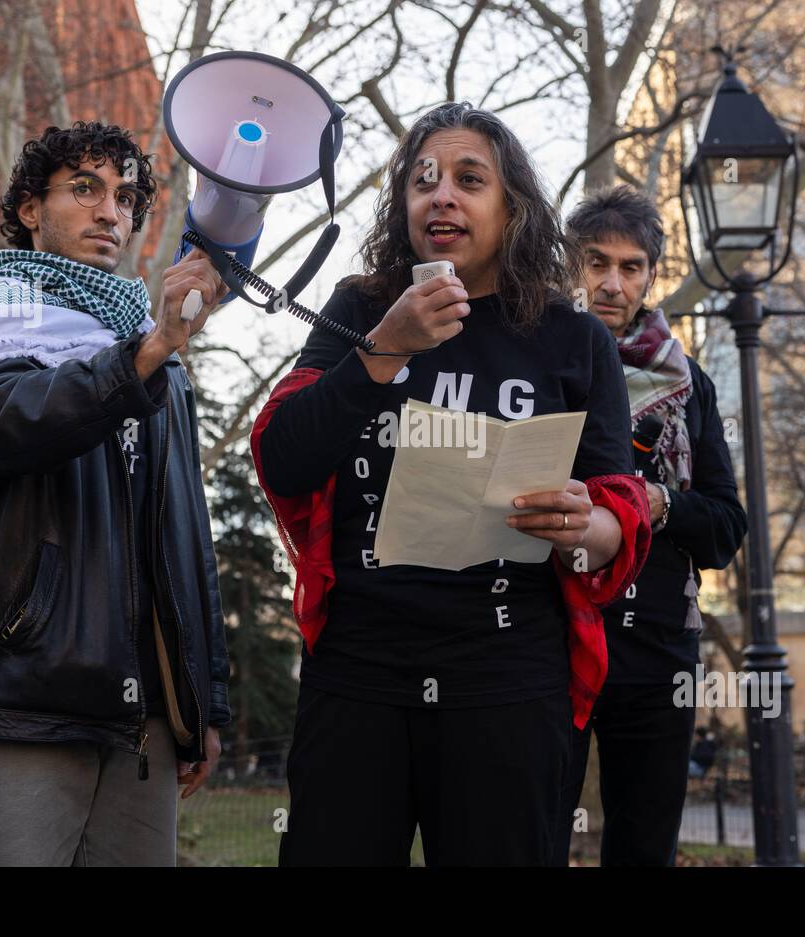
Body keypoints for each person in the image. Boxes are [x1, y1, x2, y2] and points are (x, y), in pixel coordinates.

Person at [251, 103, 651, 866]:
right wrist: (383, 351)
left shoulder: (575, 337)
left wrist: (588, 526)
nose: (442, 196)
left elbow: (617, 505)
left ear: (513, 208)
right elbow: (283, 456)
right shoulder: (362, 307)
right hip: (360, 669)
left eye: (470, 179)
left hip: (507, 676)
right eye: (422, 180)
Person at [0, 121, 232, 866]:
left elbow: (190, 536)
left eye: (125, 198)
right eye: (85, 188)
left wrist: (203, 702)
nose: (109, 213)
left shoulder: (152, 350)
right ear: (29, 207)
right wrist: (146, 355)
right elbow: (1, 423)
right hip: (21, 702)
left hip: (146, 718)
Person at [551, 185, 746, 866]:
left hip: (659, 642)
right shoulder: (533, 354)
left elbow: (725, 525)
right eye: (595, 262)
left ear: (651, 276)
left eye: (630, 267)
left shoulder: (688, 381)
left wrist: (658, 503)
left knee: (644, 848)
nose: (611, 282)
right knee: (529, 836)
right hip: (545, 633)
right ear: (569, 265)